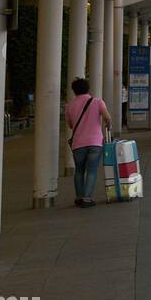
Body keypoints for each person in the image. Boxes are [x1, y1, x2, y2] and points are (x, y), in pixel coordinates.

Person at [65, 77, 111, 208]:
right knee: (92, 171)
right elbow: (107, 118)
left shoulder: (69, 106)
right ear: (87, 88)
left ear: (74, 90)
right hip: (95, 143)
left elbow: (70, 125)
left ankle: (79, 197)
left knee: (79, 171)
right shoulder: (97, 102)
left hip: (78, 144)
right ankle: (87, 198)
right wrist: (108, 125)